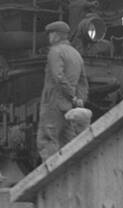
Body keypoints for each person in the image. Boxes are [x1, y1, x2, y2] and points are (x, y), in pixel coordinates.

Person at [37, 20, 89, 161]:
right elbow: (83, 82)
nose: (49, 38)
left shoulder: (55, 52)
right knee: (69, 141)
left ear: (56, 36)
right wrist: (79, 100)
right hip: (69, 107)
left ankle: (49, 176)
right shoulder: (76, 54)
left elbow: (58, 77)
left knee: (48, 139)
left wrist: (72, 95)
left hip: (54, 103)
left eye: (51, 34)